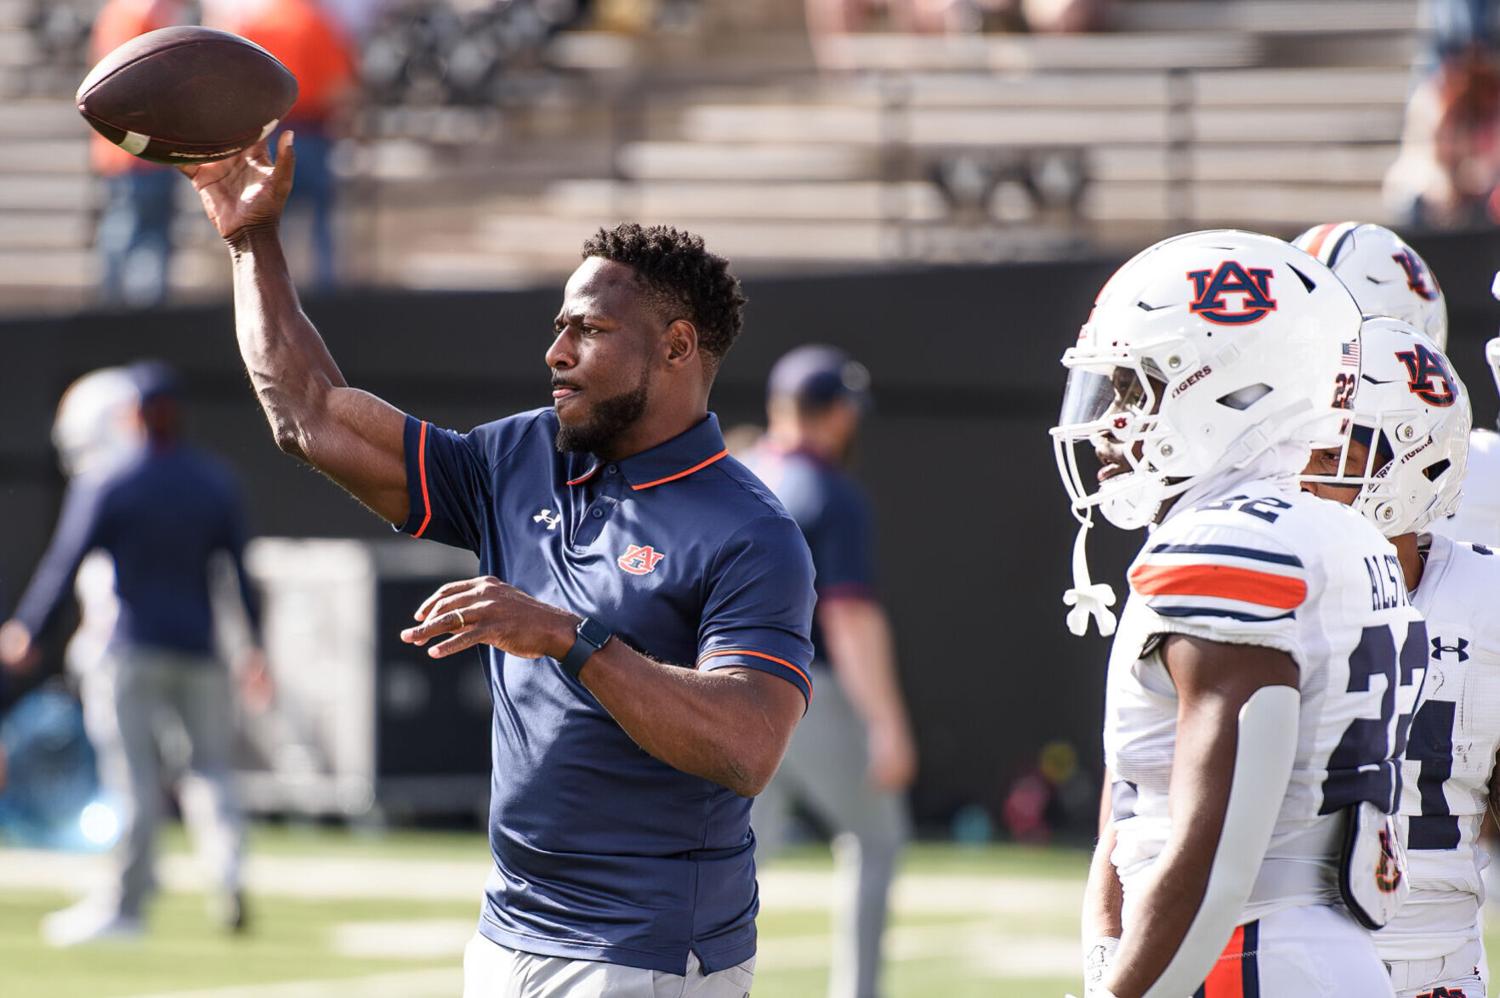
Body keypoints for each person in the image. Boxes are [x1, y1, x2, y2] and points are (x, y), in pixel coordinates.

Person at [179, 131, 816, 996]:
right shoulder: (522, 456)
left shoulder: (751, 531)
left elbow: (746, 746)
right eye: (559, 328)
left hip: (646, 951)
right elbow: (310, 414)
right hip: (506, 930)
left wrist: (567, 636)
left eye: (590, 331)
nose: (557, 353)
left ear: (676, 347)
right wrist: (251, 239)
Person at [1054, 230, 1425, 997]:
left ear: (1225, 388)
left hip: (1246, 954)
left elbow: (1215, 858)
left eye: (1133, 389)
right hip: (1307, 951)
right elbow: (1139, 805)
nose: (1109, 421)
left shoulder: (1230, 545)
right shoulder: (1341, 533)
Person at [0, 363, 271, 946]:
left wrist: (29, 629)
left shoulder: (112, 482)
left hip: (131, 649)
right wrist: (256, 647)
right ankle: (227, 873)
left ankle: (127, 903)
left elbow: (64, 562)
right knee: (209, 771)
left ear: (132, 416)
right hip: (198, 648)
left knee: (134, 778)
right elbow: (240, 575)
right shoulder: (213, 481)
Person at [1301, 318, 1495, 998]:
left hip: (1437, 970)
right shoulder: (1262, 585)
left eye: (1330, 455)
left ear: (1409, 465)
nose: (1301, 478)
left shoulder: (1486, 599)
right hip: (1287, 955)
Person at [741, 345, 916, 998]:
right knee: (877, 838)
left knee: (737, 860)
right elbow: (848, 618)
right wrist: (887, 723)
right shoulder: (831, 494)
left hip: (724, 685)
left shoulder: (738, 473)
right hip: (804, 691)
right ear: (839, 414)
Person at [210, 0, 356, 291]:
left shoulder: (255, 22)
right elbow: (337, 88)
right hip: (309, 133)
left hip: (265, 133)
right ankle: (325, 293)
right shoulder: (314, 22)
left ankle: (270, 292)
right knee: (318, 219)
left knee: (266, 222)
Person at [90, 0, 190, 307]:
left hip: (125, 150)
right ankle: (139, 322)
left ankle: (118, 314)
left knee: (126, 232)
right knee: (145, 239)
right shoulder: (142, 22)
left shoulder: (116, 15)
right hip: (145, 152)